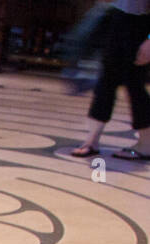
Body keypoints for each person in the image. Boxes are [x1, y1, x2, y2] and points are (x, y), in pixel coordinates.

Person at [71, 0, 150, 160]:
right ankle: (91, 140)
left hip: (141, 23)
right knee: (106, 80)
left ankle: (146, 144)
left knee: (135, 83)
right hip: (118, 16)